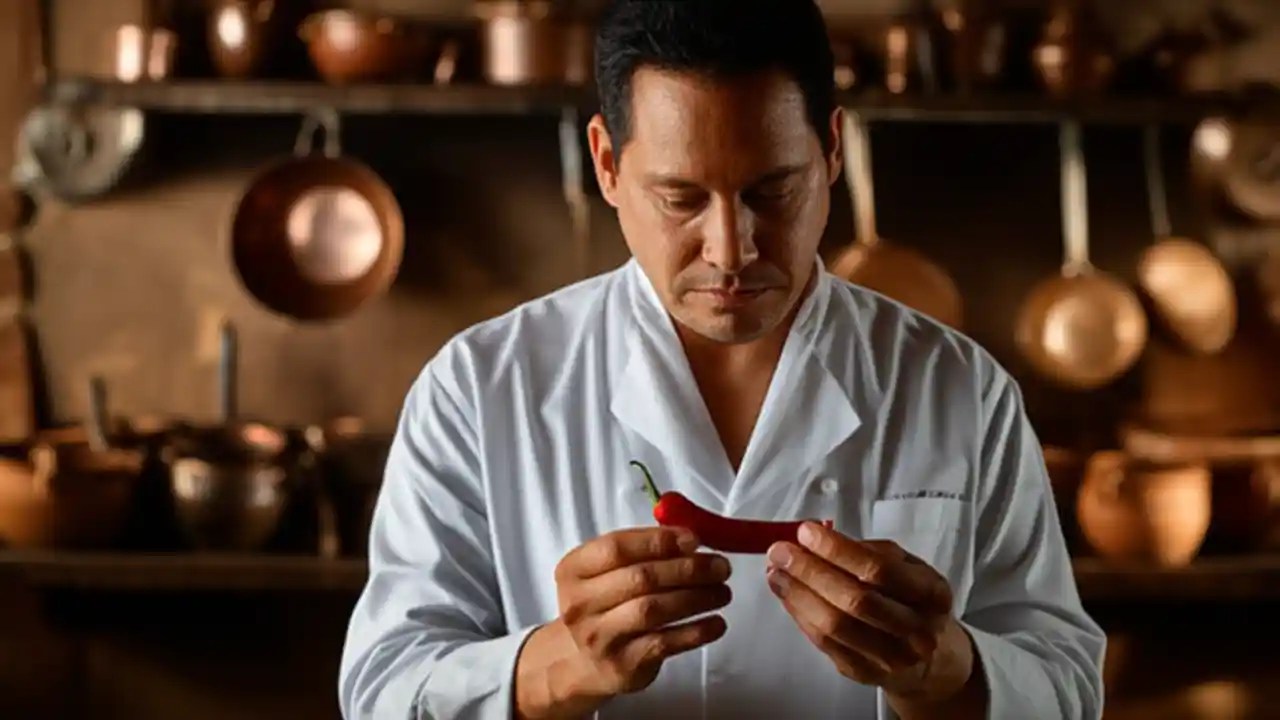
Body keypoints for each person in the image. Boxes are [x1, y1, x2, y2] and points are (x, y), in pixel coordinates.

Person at [338, 1, 1106, 718]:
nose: (731, 251)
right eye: (679, 199)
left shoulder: (960, 390)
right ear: (606, 164)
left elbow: (1069, 686)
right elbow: (381, 689)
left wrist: (947, 670)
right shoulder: (479, 388)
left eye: (773, 192)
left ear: (832, 149)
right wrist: (557, 666)